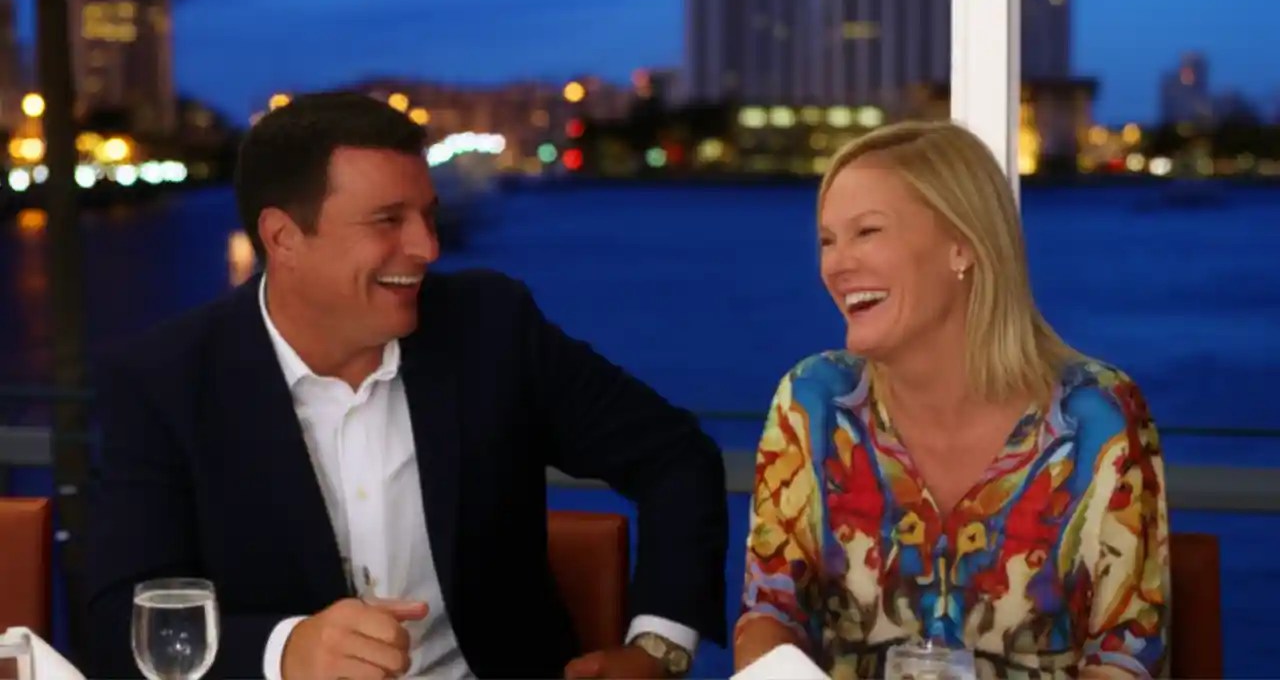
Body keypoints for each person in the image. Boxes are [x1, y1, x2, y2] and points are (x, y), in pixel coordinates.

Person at [85, 92, 728, 680]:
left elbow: (675, 456)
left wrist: (659, 648)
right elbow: (113, 622)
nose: (426, 246)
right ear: (283, 239)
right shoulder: (161, 381)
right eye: (388, 220)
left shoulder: (491, 329)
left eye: (427, 215)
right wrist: (286, 650)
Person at [733, 121, 1170, 679]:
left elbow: (1125, 655)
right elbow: (769, 613)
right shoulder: (812, 402)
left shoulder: (1098, 419)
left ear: (962, 245)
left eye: (867, 232)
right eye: (826, 240)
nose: (836, 265)